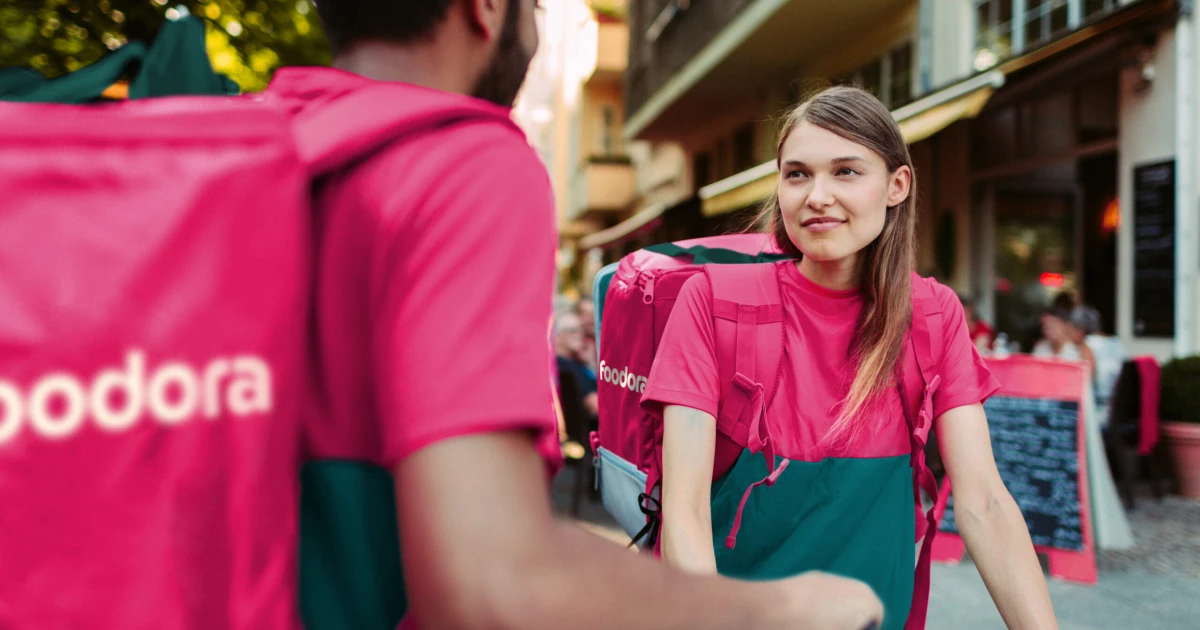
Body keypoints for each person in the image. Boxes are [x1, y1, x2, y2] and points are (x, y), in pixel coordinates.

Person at [283, 2, 885, 628]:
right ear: (488, 10)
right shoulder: (462, 162)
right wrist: (782, 608)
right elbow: (494, 579)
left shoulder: (266, 143)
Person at [642, 86, 1058, 629]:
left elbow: (984, 504)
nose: (816, 195)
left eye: (845, 171)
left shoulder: (933, 315)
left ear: (896, 185)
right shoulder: (714, 302)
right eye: (797, 174)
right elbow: (686, 513)